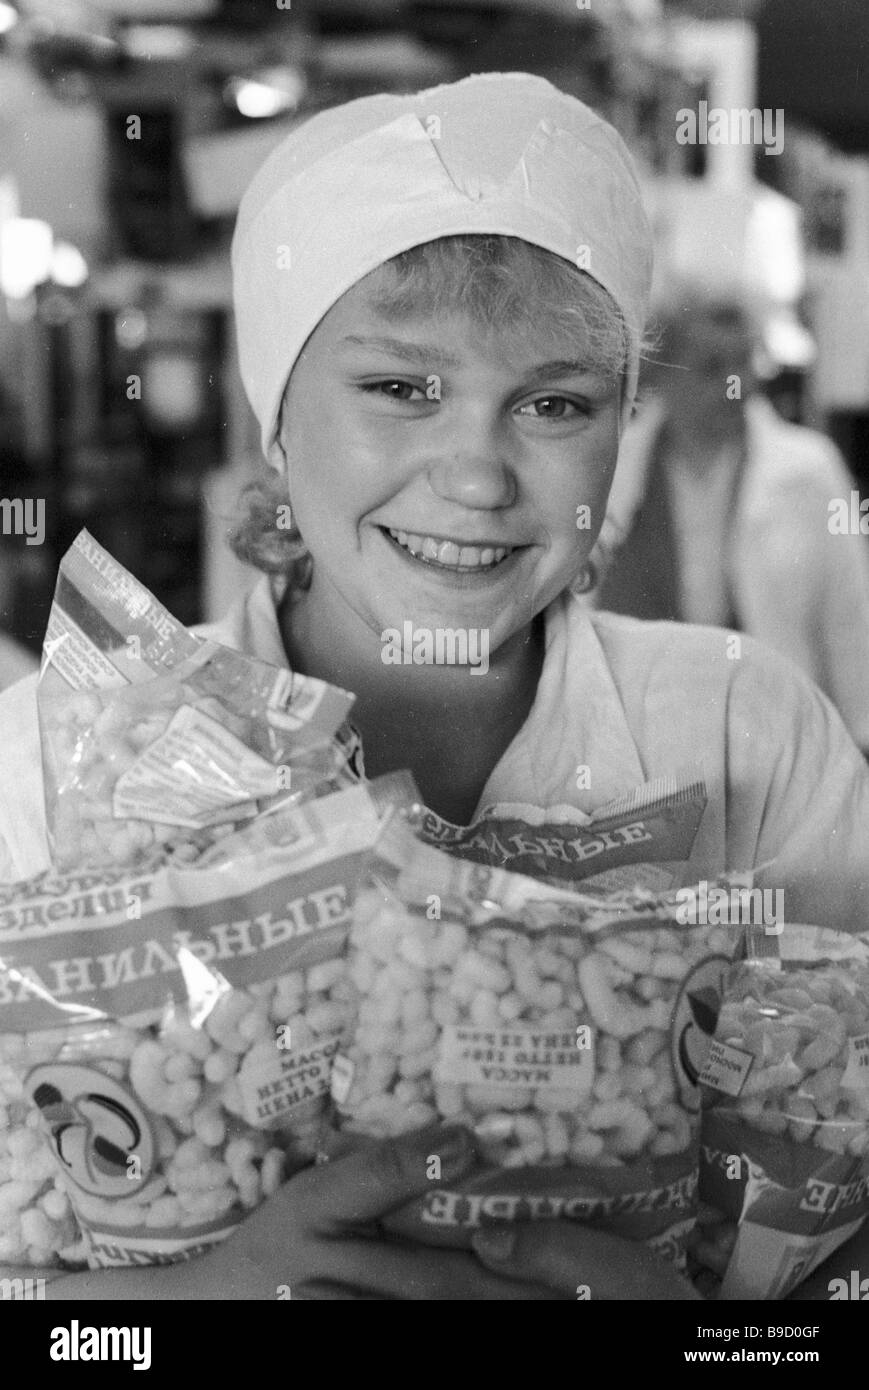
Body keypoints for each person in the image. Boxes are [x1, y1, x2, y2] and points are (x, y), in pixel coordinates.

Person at [1, 73, 868, 1300]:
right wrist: (186, 1303)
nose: (475, 475)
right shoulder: (47, 764)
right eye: (399, 387)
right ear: (277, 420)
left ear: (619, 426)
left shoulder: (743, 733)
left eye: (553, 402)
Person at [593, 285, 869, 754]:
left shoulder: (809, 471)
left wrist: (862, 739)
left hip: (777, 737)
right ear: (662, 375)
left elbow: (850, 621)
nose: (734, 382)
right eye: (710, 368)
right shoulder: (612, 469)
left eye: (744, 361)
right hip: (642, 740)